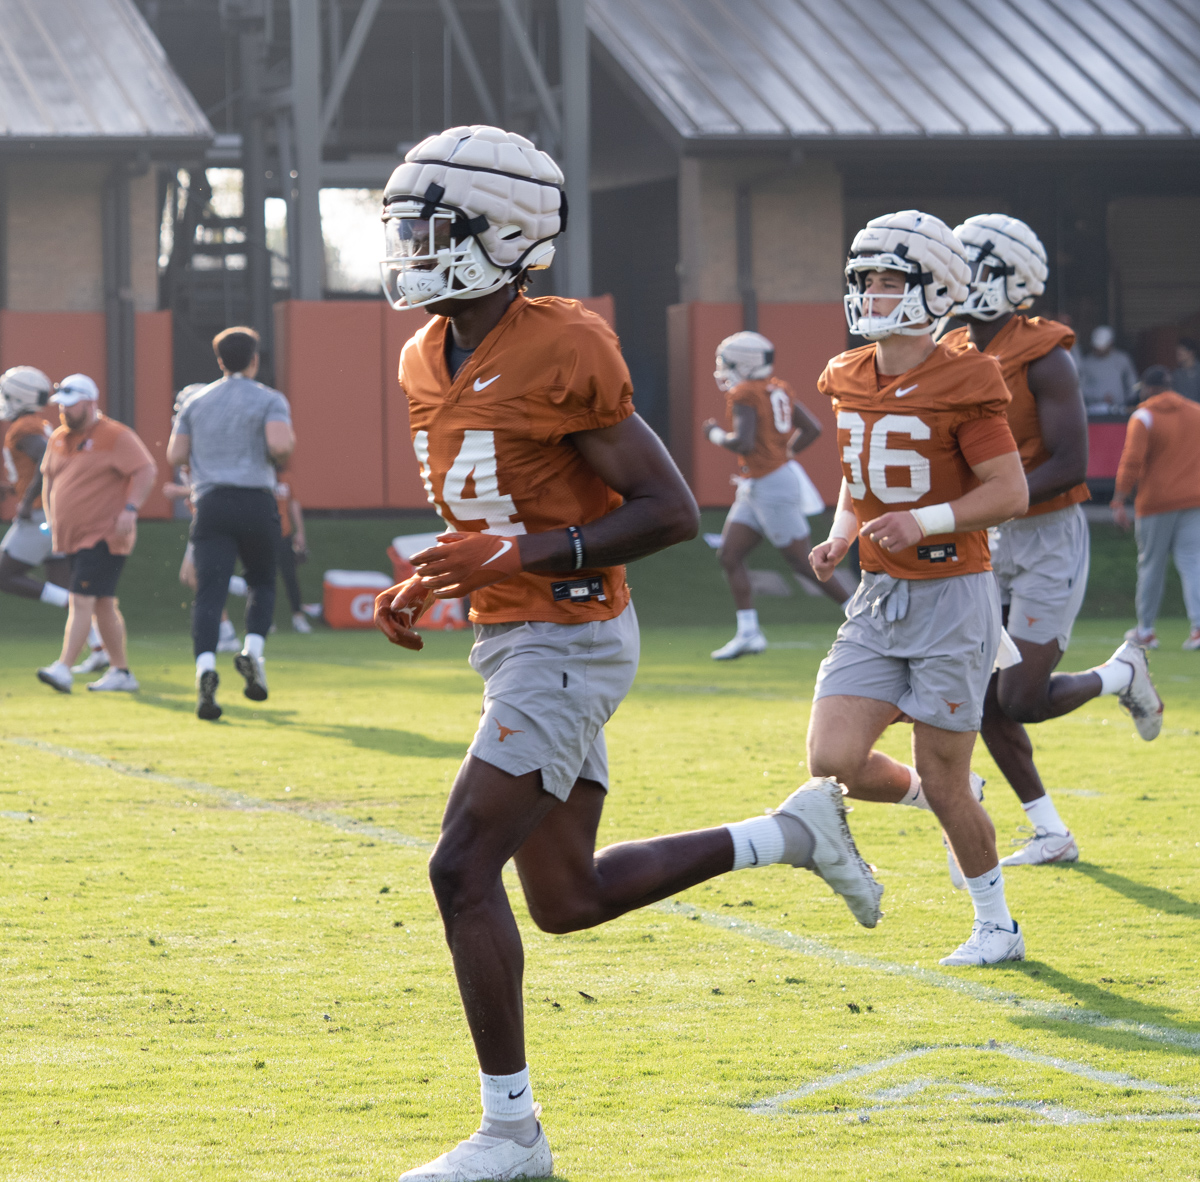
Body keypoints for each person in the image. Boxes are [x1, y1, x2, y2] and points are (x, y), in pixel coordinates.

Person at [373, 124, 881, 1182]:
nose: (413, 247)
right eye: (406, 227)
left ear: (504, 234)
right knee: (566, 900)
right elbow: (499, 502)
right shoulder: (427, 351)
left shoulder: (566, 343)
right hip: (516, 630)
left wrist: (521, 553)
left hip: (569, 633)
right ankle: (789, 834)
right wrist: (435, 577)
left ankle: (513, 1136)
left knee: (460, 869)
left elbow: (666, 512)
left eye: (433, 228)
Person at [804, 209, 1036, 968]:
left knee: (948, 778)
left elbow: (1009, 491)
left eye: (889, 279)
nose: (872, 294)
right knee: (832, 758)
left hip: (952, 597)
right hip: (878, 595)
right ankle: (936, 797)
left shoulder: (965, 377)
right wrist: (844, 530)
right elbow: (858, 473)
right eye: (864, 280)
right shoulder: (848, 373)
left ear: (935, 289)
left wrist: (926, 519)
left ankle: (996, 924)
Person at [942, 215, 1163, 873]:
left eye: (971, 266)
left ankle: (1120, 674)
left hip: (1045, 537)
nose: (957, 280)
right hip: (987, 535)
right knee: (982, 700)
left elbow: (1070, 462)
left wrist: (977, 503)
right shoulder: (951, 349)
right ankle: (1050, 832)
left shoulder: (1047, 353)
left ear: (1009, 278)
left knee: (1020, 700)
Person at [166, 327, 294, 720]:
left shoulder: (197, 401)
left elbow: (175, 454)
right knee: (261, 581)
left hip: (211, 502)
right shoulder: (269, 399)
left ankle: (205, 668)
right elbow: (279, 446)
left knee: (209, 592)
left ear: (219, 360)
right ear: (254, 358)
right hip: (255, 500)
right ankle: (252, 651)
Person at [702, 331, 853, 659]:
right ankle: (749, 633)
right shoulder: (777, 387)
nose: (723, 369)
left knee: (801, 560)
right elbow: (813, 428)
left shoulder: (744, 393)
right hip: (759, 482)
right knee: (729, 553)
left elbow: (742, 442)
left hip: (770, 483)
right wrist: (785, 453)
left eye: (726, 363)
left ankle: (861, 615)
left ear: (743, 363)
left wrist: (714, 434)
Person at [35, 374, 157, 693]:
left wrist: (131, 508)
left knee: (81, 600)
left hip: (103, 535)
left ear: (90, 403)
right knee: (102, 603)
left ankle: (63, 668)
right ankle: (121, 672)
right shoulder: (59, 437)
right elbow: (49, 480)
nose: (63, 411)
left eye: (70, 406)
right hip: (72, 536)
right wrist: (52, 518)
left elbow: (145, 469)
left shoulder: (115, 435)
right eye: (61, 405)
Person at [0, 366, 110, 674]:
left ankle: (77, 607)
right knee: (62, 581)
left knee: (4, 575)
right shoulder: (38, 424)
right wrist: (13, 489)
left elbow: (46, 461)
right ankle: (100, 648)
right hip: (56, 511)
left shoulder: (25, 427)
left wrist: (25, 499)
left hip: (41, 513)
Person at [1112, 365, 1200, 651]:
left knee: (1151, 566)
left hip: (1156, 503)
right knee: (1193, 564)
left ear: (1147, 388)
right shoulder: (1195, 412)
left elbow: (1131, 461)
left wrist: (1119, 498)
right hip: (1193, 500)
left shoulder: (1143, 416)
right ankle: (1198, 629)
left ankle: (1146, 630)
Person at [273, 474, 311, 632]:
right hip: (263, 536)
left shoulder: (285, 478)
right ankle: (266, 619)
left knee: (290, 577)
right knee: (265, 578)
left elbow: (293, 504)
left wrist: (300, 531)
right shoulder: (258, 475)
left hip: (284, 536)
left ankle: (298, 616)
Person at [1080, 325, 1137, 415]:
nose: (1100, 350)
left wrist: (1127, 401)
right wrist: (1100, 397)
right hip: (1094, 411)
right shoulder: (1086, 363)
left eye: (1103, 347)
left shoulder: (1122, 359)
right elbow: (1081, 388)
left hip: (1120, 409)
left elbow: (1132, 383)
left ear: (1111, 344)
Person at [1172, 337, 1200, 403]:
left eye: (1181, 351)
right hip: (1182, 411)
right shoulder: (1176, 374)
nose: (1178, 354)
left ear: (1191, 352)